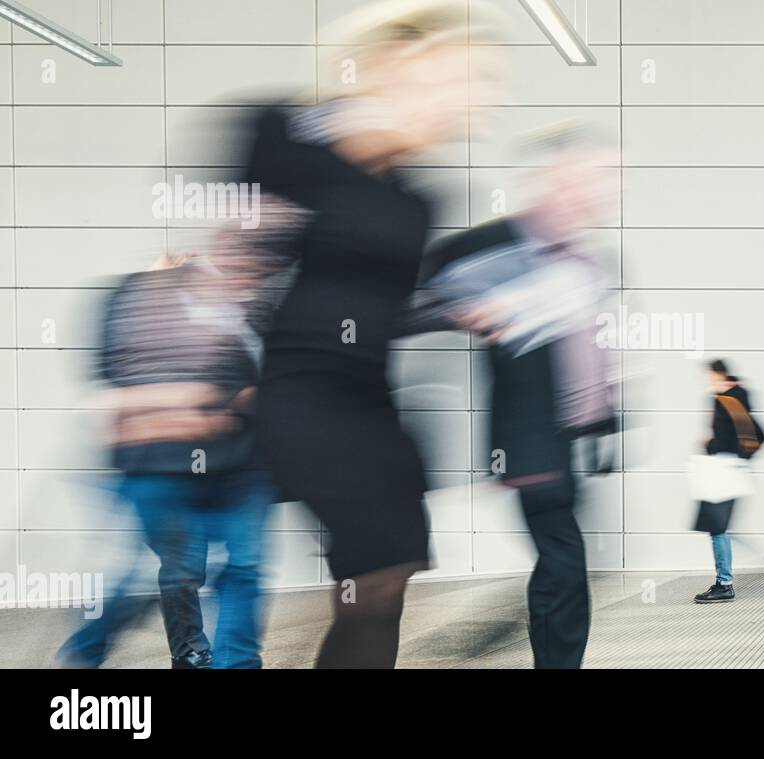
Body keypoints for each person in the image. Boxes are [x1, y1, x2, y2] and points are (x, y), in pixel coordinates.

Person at [242, 0, 498, 669]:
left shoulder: (417, 198)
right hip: (301, 391)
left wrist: (453, 311)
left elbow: (385, 308)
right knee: (374, 569)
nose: (476, 99)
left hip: (369, 398)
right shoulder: (286, 136)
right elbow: (242, 264)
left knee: (390, 573)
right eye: (463, 76)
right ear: (397, 64)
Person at [410, 124, 618, 668]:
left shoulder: (587, 263)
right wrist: (465, 313)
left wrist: (608, 422)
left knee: (561, 564)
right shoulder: (492, 246)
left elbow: (591, 353)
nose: (600, 191)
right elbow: (404, 301)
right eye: (589, 177)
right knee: (565, 562)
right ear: (551, 178)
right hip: (529, 440)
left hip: (574, 439)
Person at [58, 209, 300, 669]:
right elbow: (112, 385)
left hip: (242, 462)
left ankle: (230, 663)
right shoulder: (135, 295)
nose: (252, 274)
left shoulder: (257, 306)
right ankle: (98, 652)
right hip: (162, 464)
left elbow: (271, 380)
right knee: (173, 572)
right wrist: (190, 400)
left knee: (243, 568)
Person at [694, 360, 764, 604]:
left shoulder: (727, 399)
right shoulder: (735, 397)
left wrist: (711, 444)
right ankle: (735, 571)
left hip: (722, 469)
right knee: (721, 527)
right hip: (728, 468)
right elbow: (756, 435)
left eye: (710, 376)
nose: (707, 381)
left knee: (717, 528)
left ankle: (724, 584)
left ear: (718, 374)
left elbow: (739, 437)